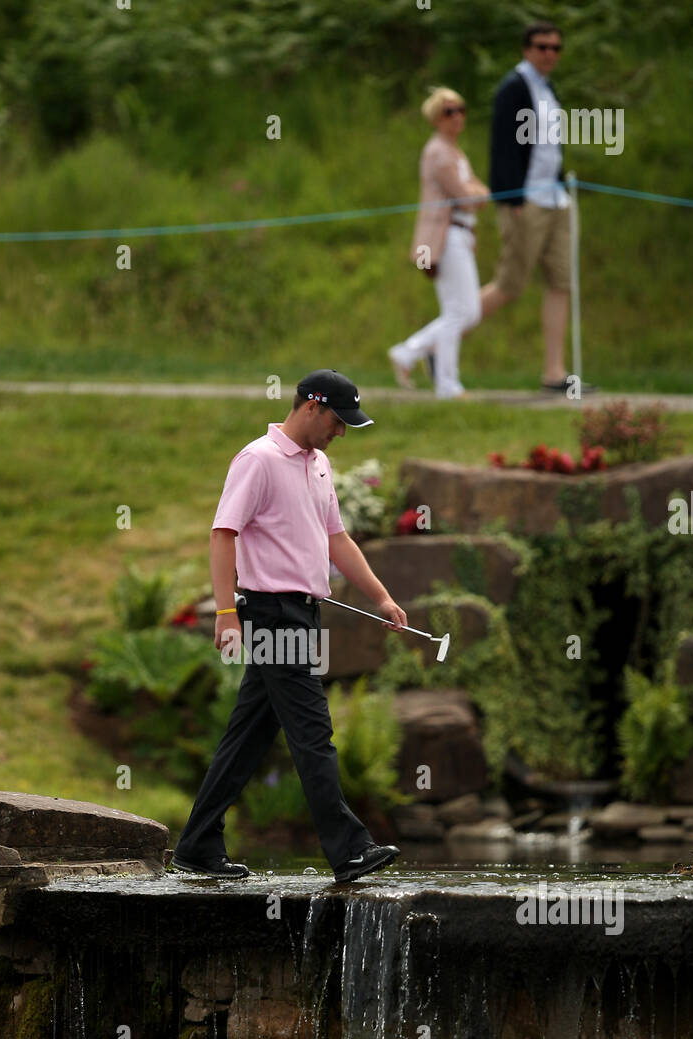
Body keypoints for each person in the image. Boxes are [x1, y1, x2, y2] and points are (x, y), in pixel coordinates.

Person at [171, 369, 405, 883]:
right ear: (311, 407)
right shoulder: (257, 460)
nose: (341, 433)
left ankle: (196, 845)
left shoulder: (318, 464)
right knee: (312, 732)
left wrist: (382, 597)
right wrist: (226, 612)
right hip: (271, 613)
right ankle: (348, 851)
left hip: (304, 612)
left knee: (250, 736)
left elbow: (337, 539)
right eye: (338, 421)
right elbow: (222, 533)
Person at [480, 20, 590, 392]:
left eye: (555, 48)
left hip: (556, 197)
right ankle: (431, 344)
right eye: (542, 47)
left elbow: (547, 147)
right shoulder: (513, 88)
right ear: (527, 49)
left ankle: (554, 373)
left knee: (562, 281)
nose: (549, 54)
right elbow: (502, 147)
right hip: (524, 201)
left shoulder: (548, 88)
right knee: (510, 284)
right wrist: (510, 197)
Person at [388, 88, 489, 400]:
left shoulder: (455, 151)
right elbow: (466, 195)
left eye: (460, 109)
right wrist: (476, 193)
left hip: (461, 234)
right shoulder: (438, 152)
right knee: (459, 311)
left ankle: (408, 351)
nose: (457, 116)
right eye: (449, 111)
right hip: (445, 238)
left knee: (467, 312)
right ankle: (447, 385)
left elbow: (480, 191)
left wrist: (476, 193)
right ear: (435, 118)